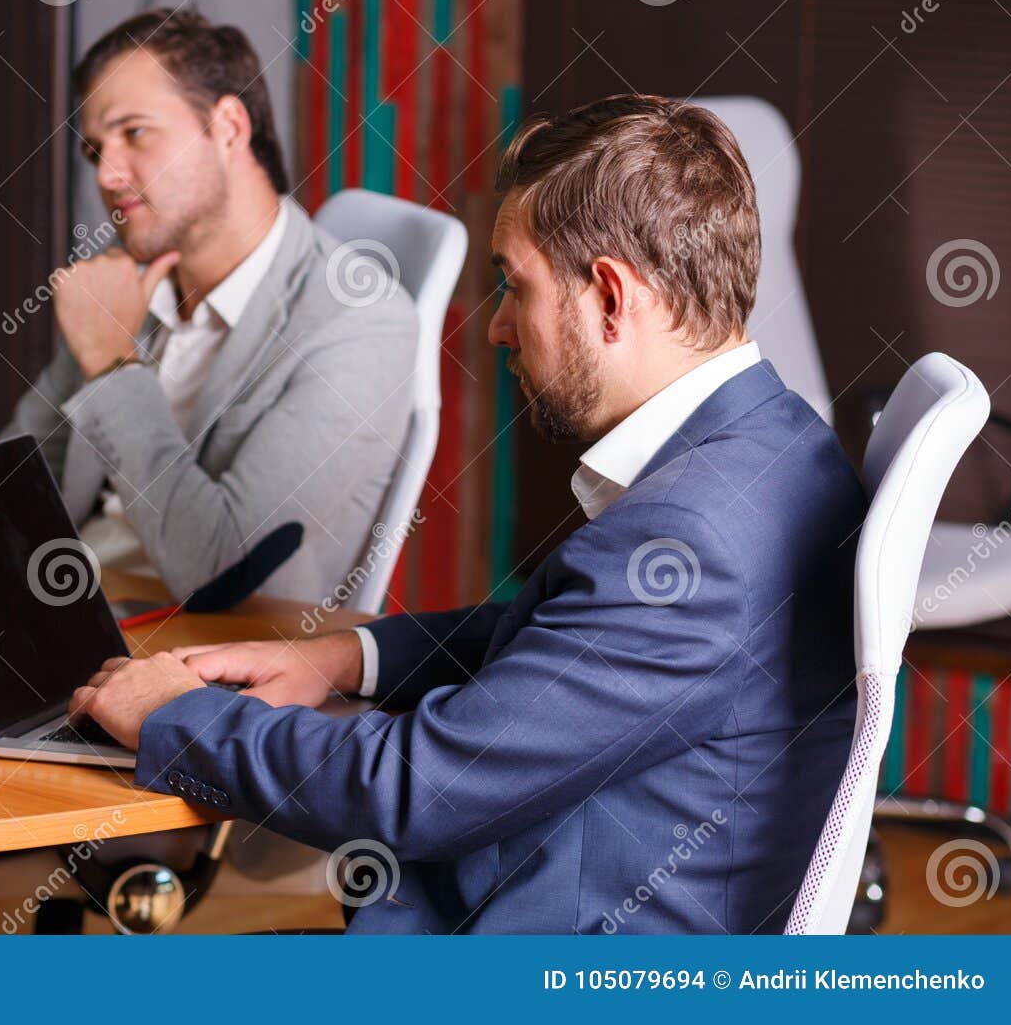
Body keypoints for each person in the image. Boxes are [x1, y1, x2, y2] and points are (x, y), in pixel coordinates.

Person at [69, 95, 866, 934]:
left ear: (609, 295)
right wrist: (346, 658)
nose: (495, 328)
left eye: (513, 286)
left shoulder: (693, 540)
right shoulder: (776, 440)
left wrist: (173, 714)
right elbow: (573, 645)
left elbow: (413, 788)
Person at [0, 6, 419, 604]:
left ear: (228, 126)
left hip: (196, 677)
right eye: (96, 149)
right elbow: (3, 494)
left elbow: (225, 570)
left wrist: (112, 362)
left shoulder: (360, 321)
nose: (105, 175)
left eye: (135, 133)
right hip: (58, 614)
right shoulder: (135, 289)